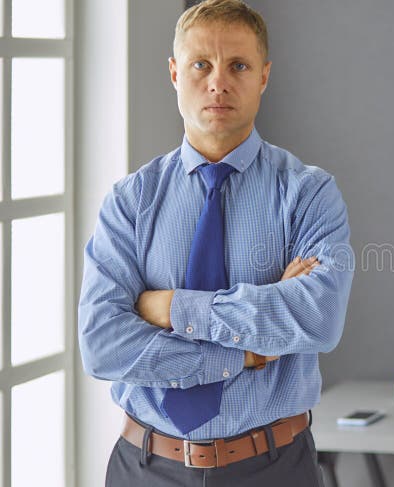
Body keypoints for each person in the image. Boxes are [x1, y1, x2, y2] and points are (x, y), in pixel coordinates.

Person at [77, 0, 353, 485]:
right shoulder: (130, 201)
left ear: (264, 76)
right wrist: (248, 352)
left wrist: (173, 309)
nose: (218, 82)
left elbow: (318, 318)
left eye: (239, 66)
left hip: (275, 468)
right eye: (201, 64)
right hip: (145, 468)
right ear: (174, 73)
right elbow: (104, 344)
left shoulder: (308, 193)